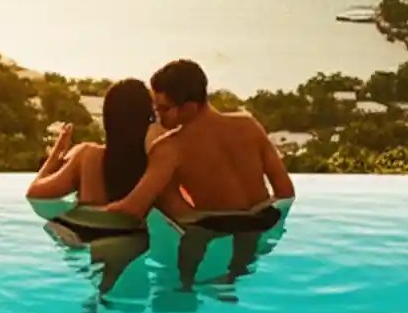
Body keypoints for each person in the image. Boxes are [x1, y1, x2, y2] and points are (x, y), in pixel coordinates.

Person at [104, 59, 295, 288]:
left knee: (174, 294)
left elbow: (134, 208)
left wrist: (90, 214)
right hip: (266, 229)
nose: (157, 116)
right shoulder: (249, 125)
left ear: (190, 107)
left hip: (220, 238)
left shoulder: (169, 148)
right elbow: (285, 192)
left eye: (164, 109)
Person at [26, 78, 156, 294]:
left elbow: (36, 194)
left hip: (88, 235)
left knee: (99, 290)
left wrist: (56, 154)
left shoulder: (88, 156)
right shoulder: (157, 160)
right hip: (133, 240)